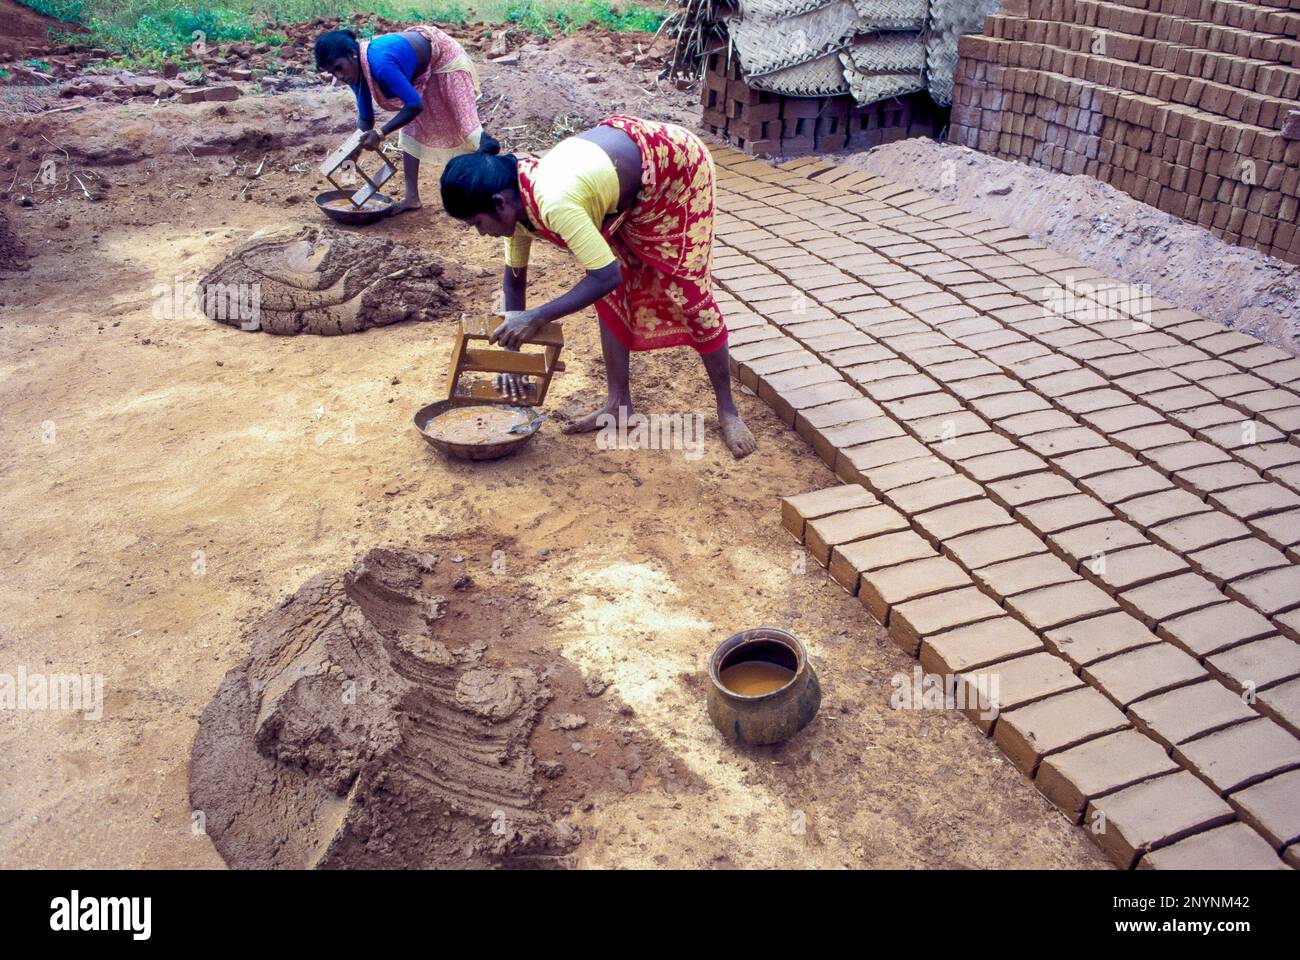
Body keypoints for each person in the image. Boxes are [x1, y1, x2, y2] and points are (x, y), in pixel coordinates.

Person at [438, 117, 757, 459]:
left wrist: (537, 317)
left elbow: (606, 276)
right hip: (621, 183)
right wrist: (510, 360)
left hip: (674, 169)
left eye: (477, 223)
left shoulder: (554, 202)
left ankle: (728, 410)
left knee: (689, 296)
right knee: (610, 295)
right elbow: (514, 282)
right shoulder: (515, 202)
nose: (481, 233)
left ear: (499, 203)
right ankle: (619, 405)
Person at [314, 26, 482, 215]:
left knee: (467, 128)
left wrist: (380, 133)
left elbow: (414, 105)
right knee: (410, 129)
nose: (339, 77)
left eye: (338, 68)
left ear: (352, 54)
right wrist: (353, 150)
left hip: (443, 56)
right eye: (332, 73)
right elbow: (366, 118)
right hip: (417, 73)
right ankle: (412, 198)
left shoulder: (381, 64)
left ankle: (494, 183)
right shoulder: (355, 73)